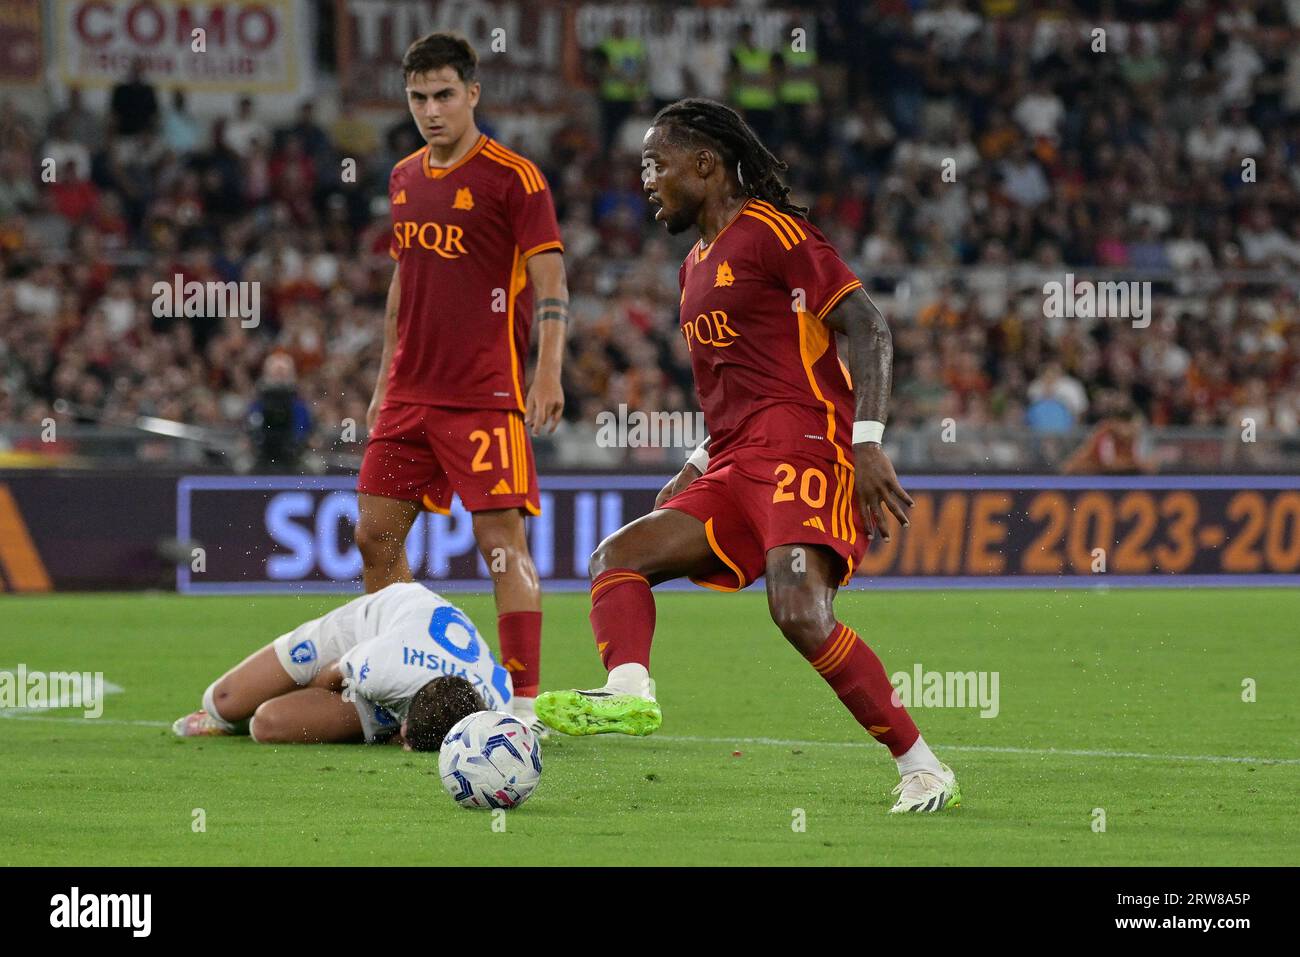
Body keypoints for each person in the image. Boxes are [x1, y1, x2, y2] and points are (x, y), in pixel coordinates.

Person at [535, 99, 961, 814]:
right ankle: (630, 689)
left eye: (656, 165)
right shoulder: (692, 267)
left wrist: (868, 441)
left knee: (797, 608)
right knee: (615, 557)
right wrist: (700, 461)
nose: (646, 181)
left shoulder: (773, 232)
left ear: (706, 164)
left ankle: (922, 765)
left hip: (808, 446)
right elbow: (743, 380)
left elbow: (868, 323)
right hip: (735, 461)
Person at [358, 32, 568, 735]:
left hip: (484, 393)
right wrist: (385, 376)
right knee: (372, 537)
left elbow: (552, 282)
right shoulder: (401, 177)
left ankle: (526, 705)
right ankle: (400, 692)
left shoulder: (515, 178)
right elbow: (402, 280)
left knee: (501, 545)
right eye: (418, 97)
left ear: (473, 93)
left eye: (444, 94)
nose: (431, 110)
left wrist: (546, 373)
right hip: (410, 392)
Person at [172, 583, 512, 750]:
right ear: (406, 724)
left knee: (266, 724)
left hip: (404, 672)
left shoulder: (497, 702)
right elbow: (333, 673)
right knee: (223, 702)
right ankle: (227, 717)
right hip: (360, 631)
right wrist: (309, 702)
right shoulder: (383, 665)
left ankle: (378, 726)